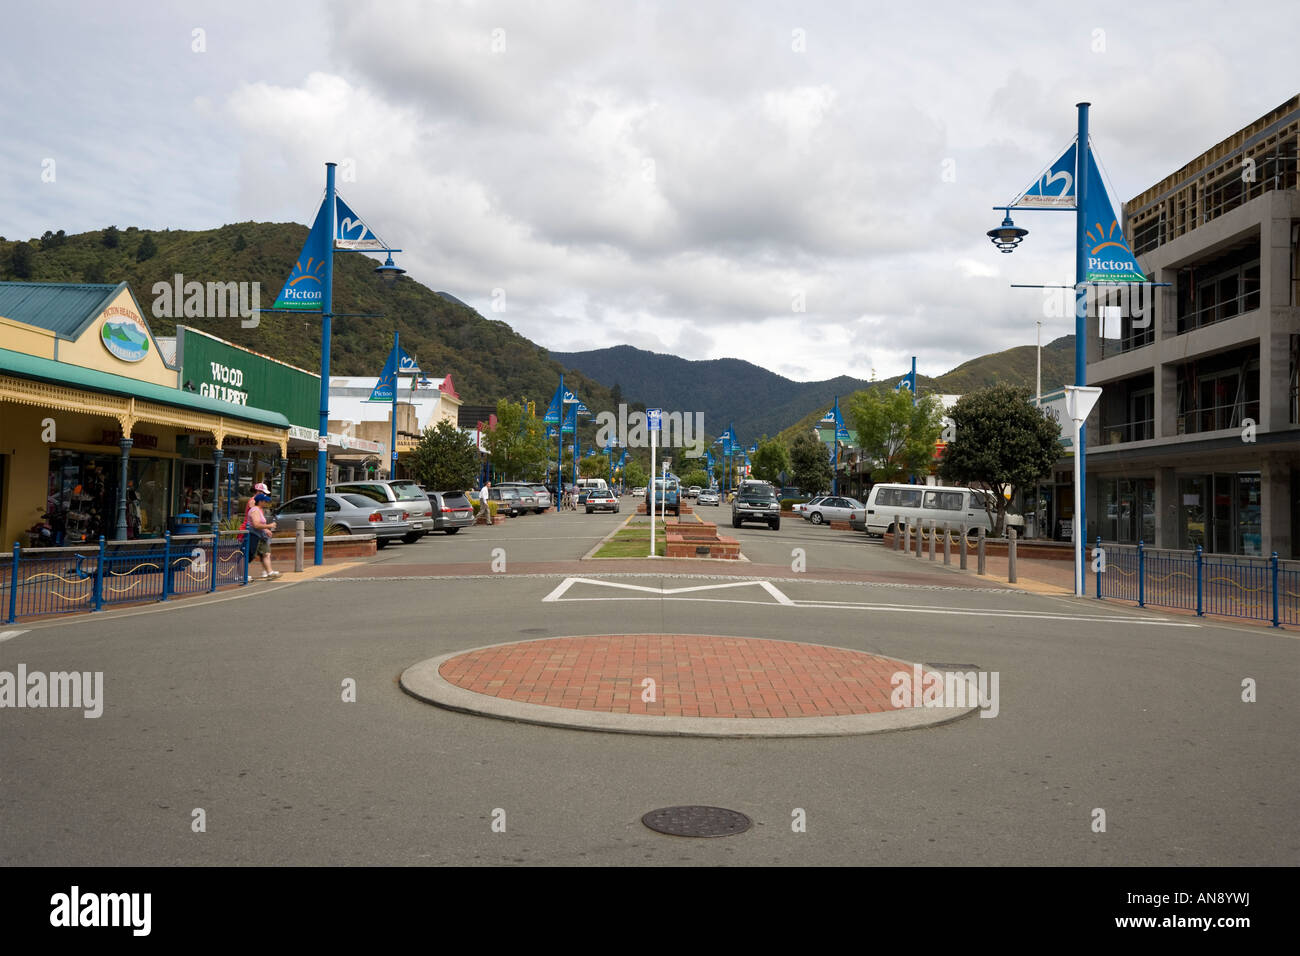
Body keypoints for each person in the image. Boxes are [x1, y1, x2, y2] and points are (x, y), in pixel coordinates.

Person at [244, 482, 280, 579]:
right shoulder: (253, 504)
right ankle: (243, 574)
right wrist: (268, 526)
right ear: (258, 492)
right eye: (263, 493)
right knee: (250, 554)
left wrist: (266, 529)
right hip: (253, 532)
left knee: (265, 552)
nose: (266, 500)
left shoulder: (259, 507)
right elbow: (255, 522)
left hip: (260, 533)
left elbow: (260, 521)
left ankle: (268, 571)